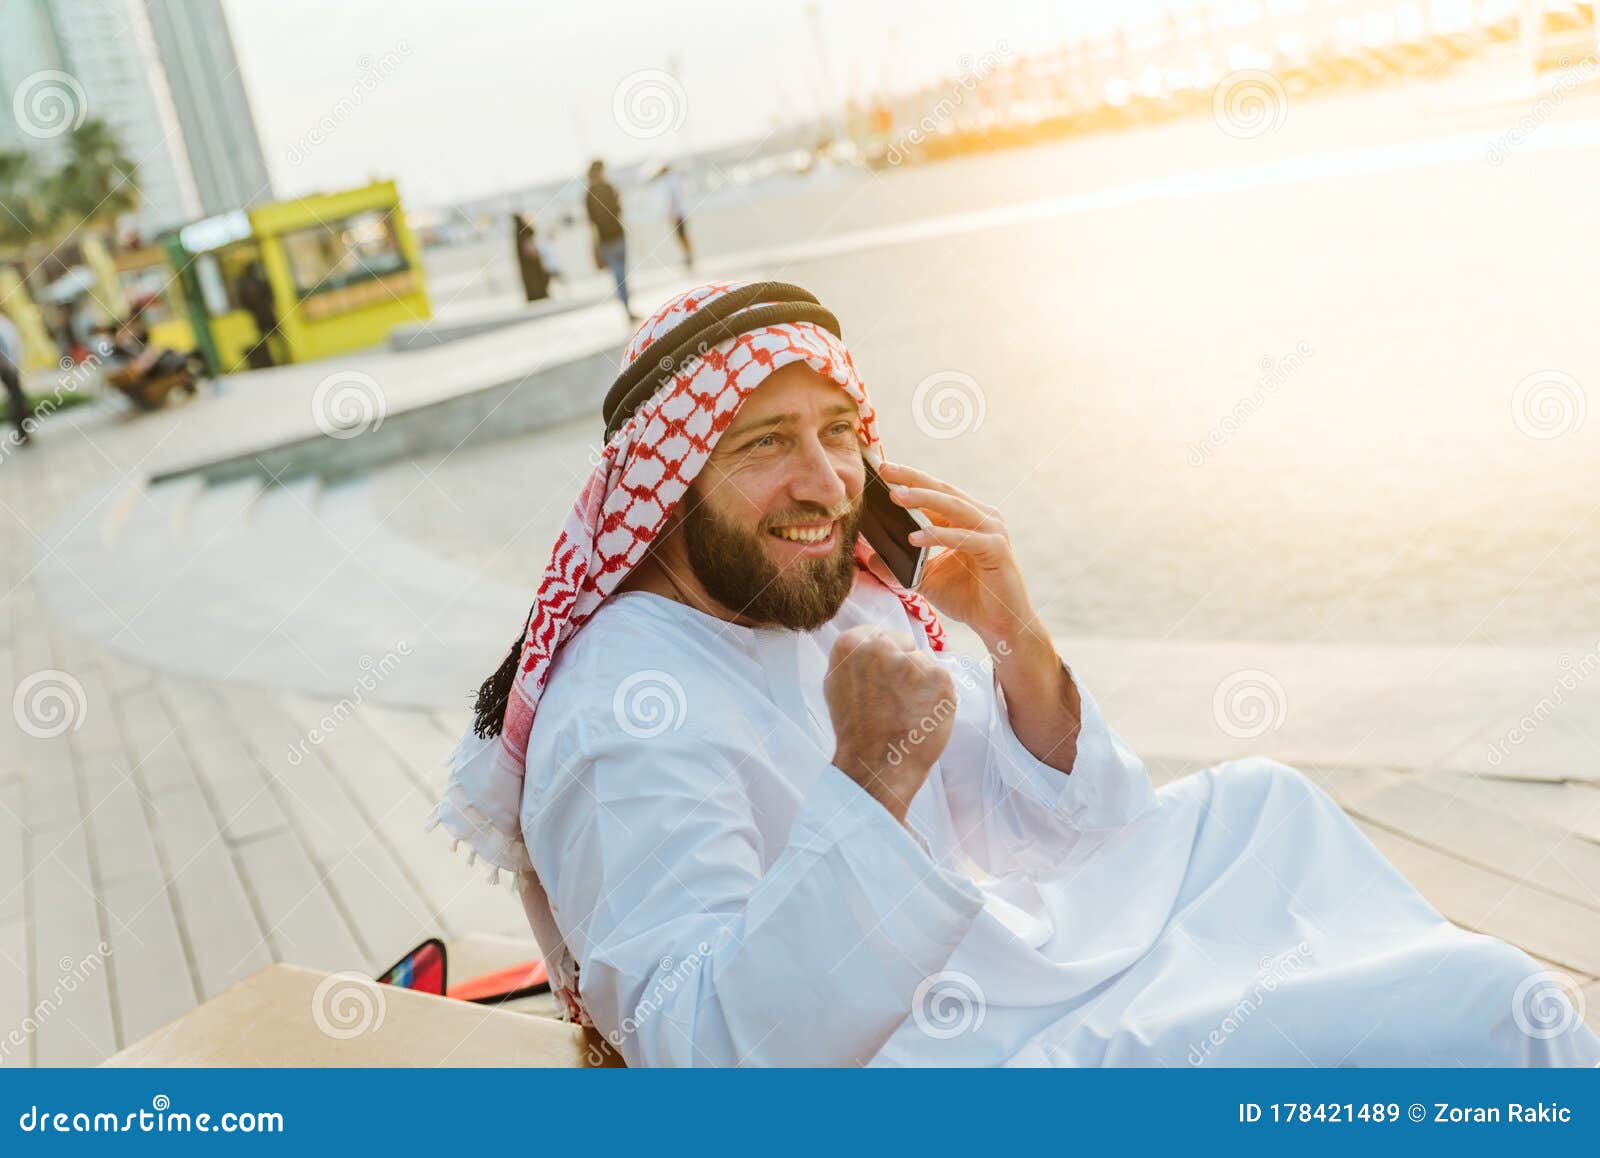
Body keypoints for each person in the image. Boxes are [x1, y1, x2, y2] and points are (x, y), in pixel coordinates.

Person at [436, 280, 1600, 1069]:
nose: (826, 482)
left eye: (837, 431)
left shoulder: (819, 606)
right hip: (939, 1073)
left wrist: (1016, 640)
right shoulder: (621, 709)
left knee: (1260, 807)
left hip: (1003, 977)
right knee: (1493, 1006)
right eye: (761, 445)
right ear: (665, 486)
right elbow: (715, 1054)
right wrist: (870, 776)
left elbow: (1071, 832)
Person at [584, 159, 636, 323]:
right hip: (617, 236)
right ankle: (627, 308)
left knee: (618, 276)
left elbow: (591, 223)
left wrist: (594, 245)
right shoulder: (609, 188)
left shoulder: (588, 193)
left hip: (605, 240)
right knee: (622, 275)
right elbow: (618, 211)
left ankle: (626, 308)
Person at [234, 261, 281, 369]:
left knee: (272, 336)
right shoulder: (254, 282)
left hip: (263, 313)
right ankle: (272, 360)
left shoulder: (256, 282)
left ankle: (276, 358)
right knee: (268, 336)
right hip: (262, 314)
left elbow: (270, 294)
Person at [0, 310, 31, 445]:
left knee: (17, 398)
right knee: (16, 398)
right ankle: (22, 431)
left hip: (11, 365)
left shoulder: (4, 322)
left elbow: (13, 342)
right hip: (6, 367)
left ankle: (23, 431)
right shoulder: (5, 322)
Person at [659, 163, 694, 271]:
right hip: (682, 212)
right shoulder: (676, 179)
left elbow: (672, 199)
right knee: (684, 236)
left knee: (680, 236)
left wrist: (671, 215)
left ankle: (688, 257)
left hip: (677, 214)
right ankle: (689, 256)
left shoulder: (668, 181)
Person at [512, 213, 553, 303]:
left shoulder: (520, 232)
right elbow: (529, 249)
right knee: (536, 279)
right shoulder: (524, 232)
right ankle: (538, 294)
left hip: (529, 264)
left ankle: (537, 294)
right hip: (531, 264)